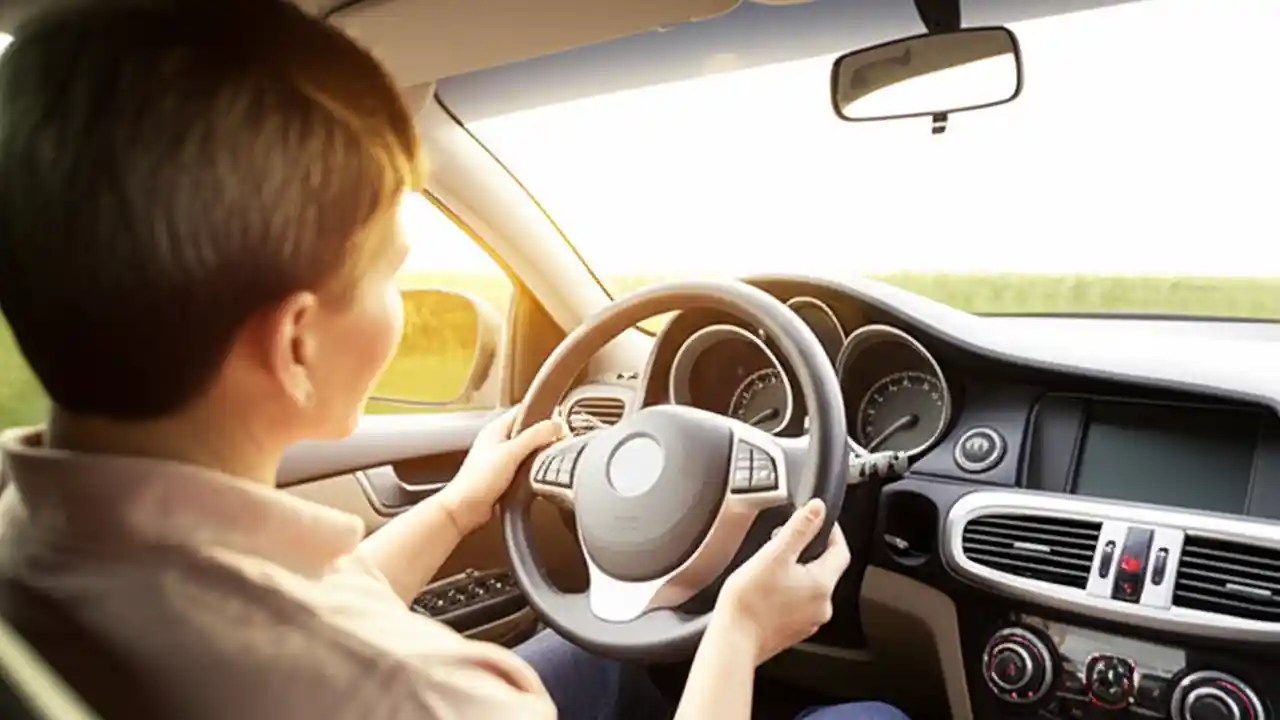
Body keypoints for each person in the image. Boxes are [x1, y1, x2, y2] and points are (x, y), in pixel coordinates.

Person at [0, 1, 908, 719]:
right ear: (298, 343)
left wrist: (456, 508)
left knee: (603, 662)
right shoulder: (428, 698)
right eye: (393, 273)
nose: (400, 303)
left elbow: (292, 598)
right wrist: (739, 637)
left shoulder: (32, 543)